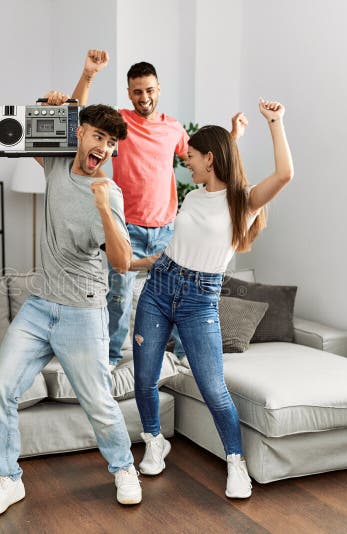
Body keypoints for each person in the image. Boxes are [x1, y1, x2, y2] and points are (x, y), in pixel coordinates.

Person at [0, 99, 142, 518]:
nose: (103, 147)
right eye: (97, 136)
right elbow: (21, 130)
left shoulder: (110, 193)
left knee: (98, 402)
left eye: (110, 142)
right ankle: (8, 478)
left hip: (83, 312)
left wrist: (103, 205)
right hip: (39, 306)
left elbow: (122, 261)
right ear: (80, 134)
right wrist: (65, 101)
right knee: (1, 387)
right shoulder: (55, 163)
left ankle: (124, 469)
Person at [132, 99, 293, 499]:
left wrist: (275, 122)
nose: (186, 162)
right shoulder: (193, 197)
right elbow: (179, 245)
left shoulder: (245, 200)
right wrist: (138, 263)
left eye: (191, 157)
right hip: (158, 288)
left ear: (209, 158)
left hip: (200, 300)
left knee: (213, 387)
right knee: (144, 377)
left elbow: (286, 174)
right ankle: (154, 441)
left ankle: (236, 464)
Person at [72, 52, 243, 369]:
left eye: (149, 90)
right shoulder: (120, 123)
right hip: (128, 231)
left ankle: (183, 355)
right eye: (137, 91)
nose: (144, 97)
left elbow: (207, 158)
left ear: (159, 89)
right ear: (129, 93)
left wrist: (233, 136)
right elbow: (79, 123)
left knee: (180, 297)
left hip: (167, 230)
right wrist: (89, 75)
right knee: (118, 299)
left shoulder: (173, 129)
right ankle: (110, 357)